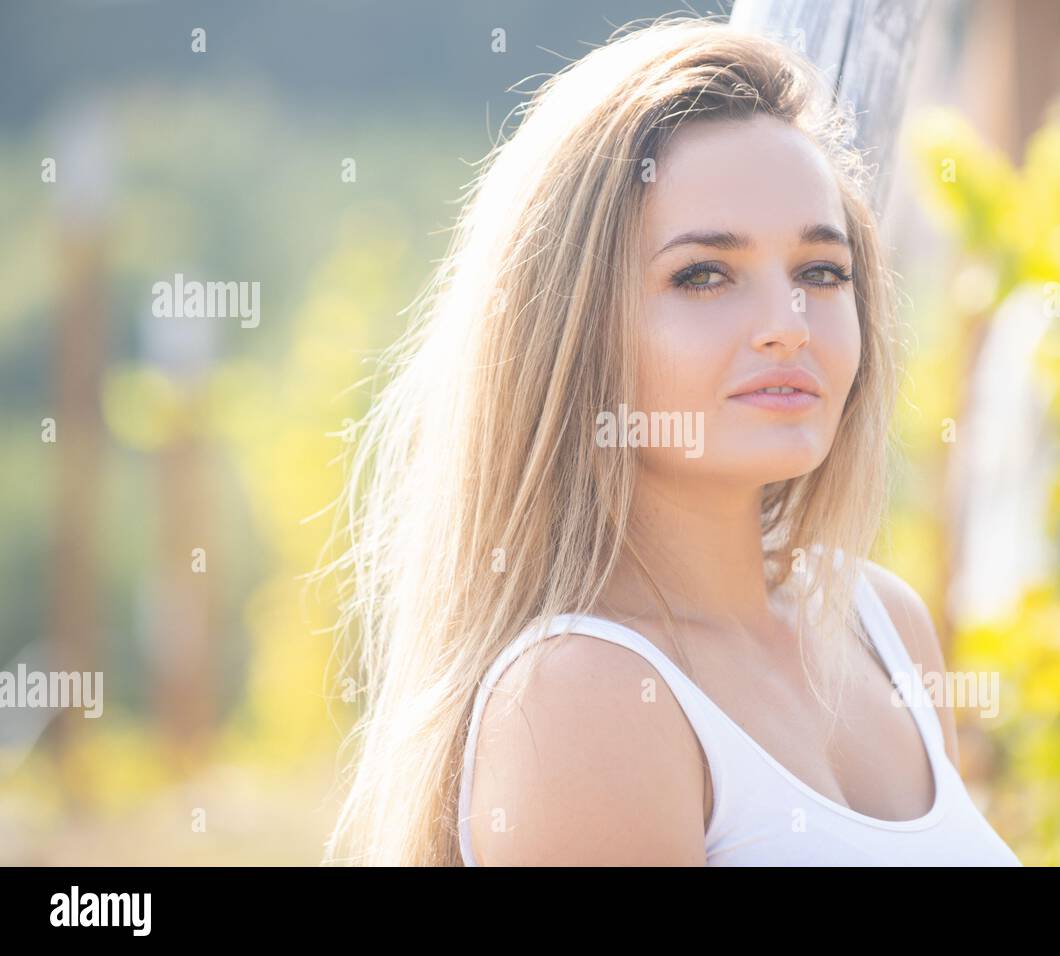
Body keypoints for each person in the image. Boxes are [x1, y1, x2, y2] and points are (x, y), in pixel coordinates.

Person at [323, 15, 1021, 867]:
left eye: (820, 271)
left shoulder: (883, 626)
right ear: (573, 328)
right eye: (703, 275)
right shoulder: (582, 696)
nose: (787, 327)